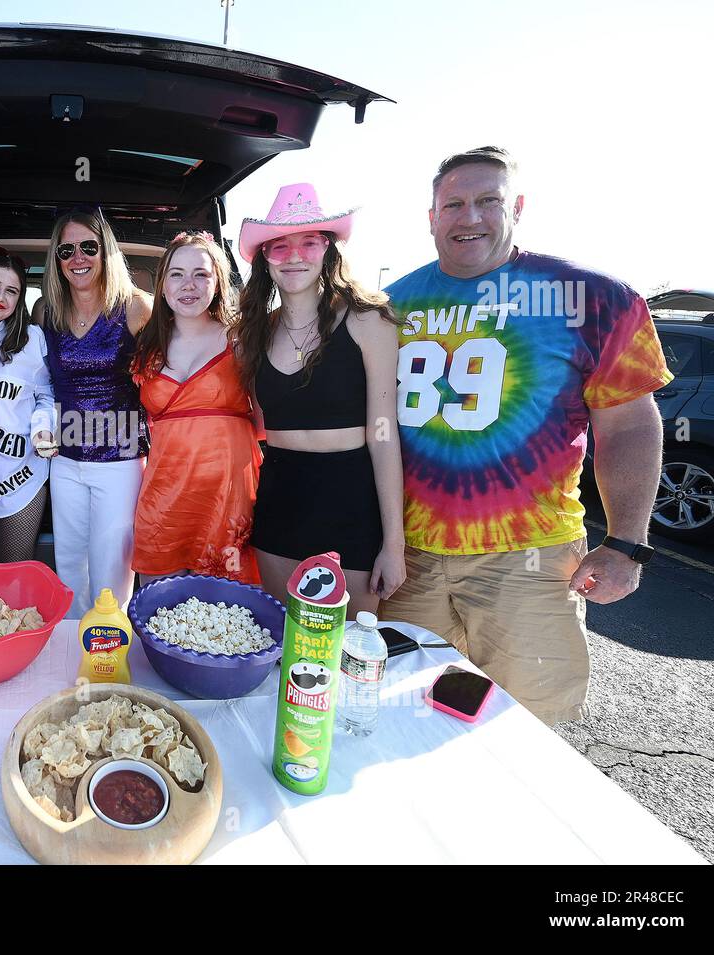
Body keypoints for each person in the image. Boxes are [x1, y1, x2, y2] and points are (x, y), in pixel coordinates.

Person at [379, 147, 673, 724]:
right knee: (405, 718)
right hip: (406, 557)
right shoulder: (389, 305)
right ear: (431, 216)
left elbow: (631, 422)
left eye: (487, 201)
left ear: (515, 206)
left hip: (527, 558)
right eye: (454, 204)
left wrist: (627, 542)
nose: (470, 217)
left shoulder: (589, 299)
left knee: (523, 728)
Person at [236, 184, 406, 617]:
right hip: (279, 504)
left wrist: (393, 543)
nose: (294, 256)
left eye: (308, 242)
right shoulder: (254, 335)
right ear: (264, 259)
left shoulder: (369, 320)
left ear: (327, 249)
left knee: (342, 650)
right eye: (279, 247)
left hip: (350, 504)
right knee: (279, 644)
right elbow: (256, 426)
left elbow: (384, 436)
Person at [31, 208, 153, 615]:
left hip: (119, 461)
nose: (77, 258)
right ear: (56, 259)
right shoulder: (46, 311)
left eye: (89, 247)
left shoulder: (137, 307)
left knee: (112, 575)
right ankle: (72, 654)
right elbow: (39, 384)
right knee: (69, 569)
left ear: (106, 251)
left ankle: (107, 661)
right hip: (64, 460)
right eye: (66, 250)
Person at [130, 231, 261, 586]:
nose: (188, 285)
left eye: (201, 274)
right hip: (164, 494)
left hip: (227, 497)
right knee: (160, 614)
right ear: (162, 285)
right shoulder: (145, 344)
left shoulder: (242, 339)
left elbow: (270, 422)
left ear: (217, 281)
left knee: (225, 619)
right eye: (176, 274)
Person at [0, 245, 56, 563]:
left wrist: (43, 430)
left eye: (11, 291)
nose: (0, 296)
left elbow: (47, 395)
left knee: (16, 567)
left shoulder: (31, 339)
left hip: (21, 472)